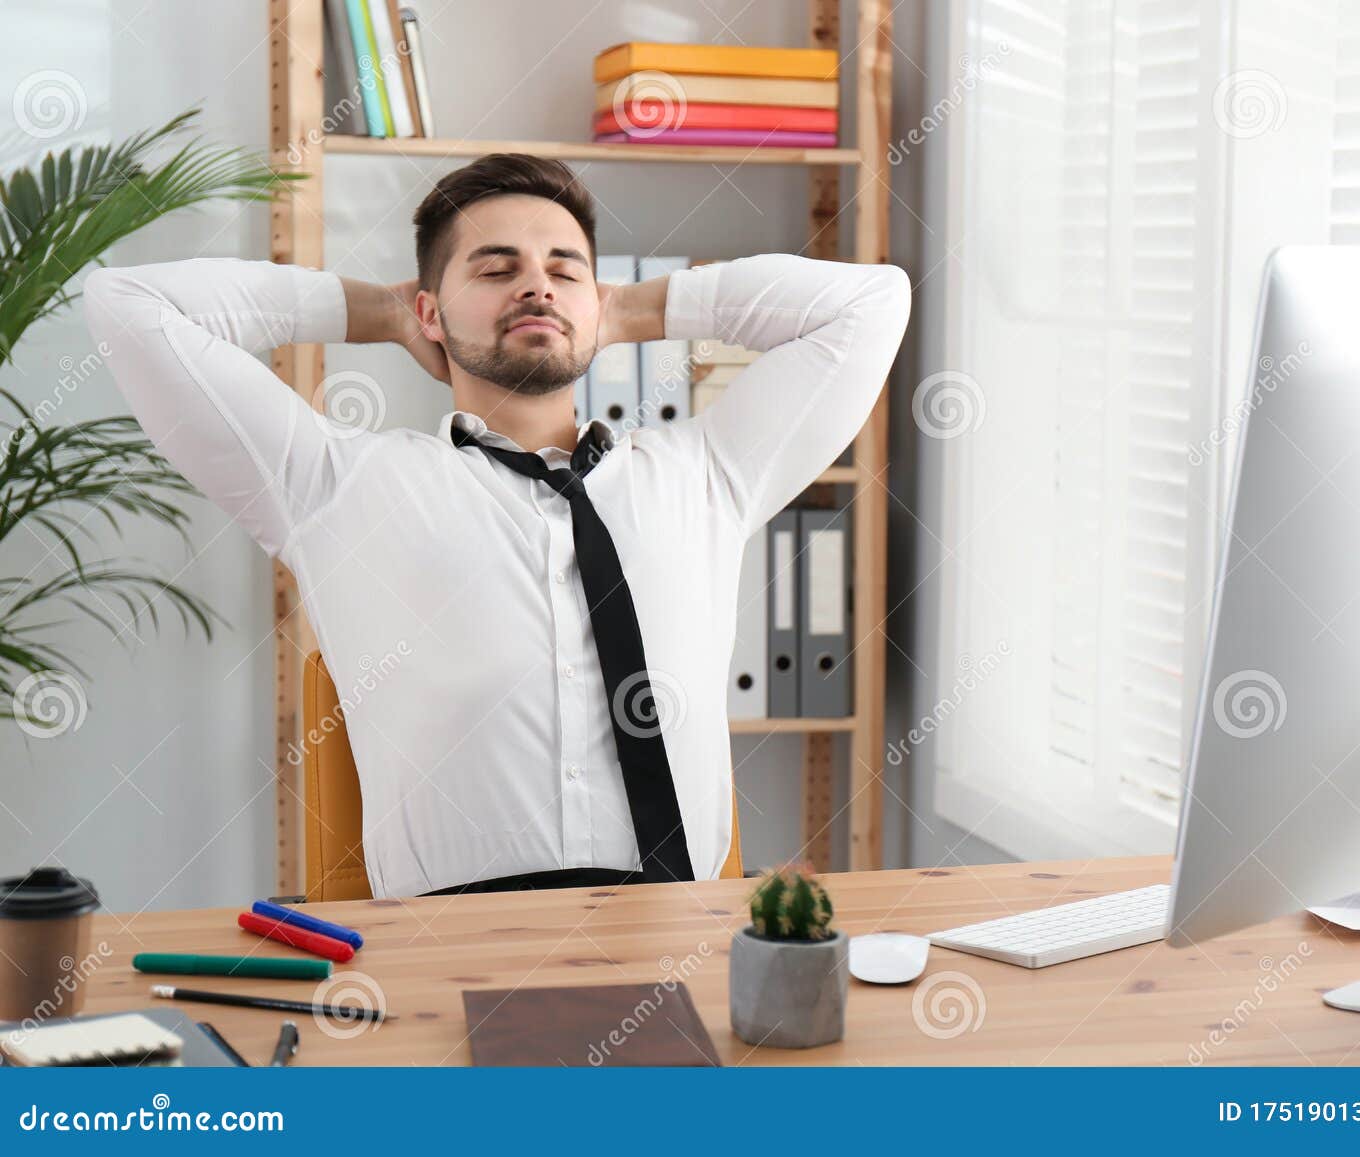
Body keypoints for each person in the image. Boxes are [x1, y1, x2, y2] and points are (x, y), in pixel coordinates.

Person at [83, 153, 912, 898]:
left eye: (564, 269)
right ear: (431, 311)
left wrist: (634, 309)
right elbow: (130, 305)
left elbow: (873, 301)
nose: (537, 286)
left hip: (678, 940)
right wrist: (377, 311)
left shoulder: (707, 474)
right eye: (495, 268)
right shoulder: (333, 484)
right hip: (448, 957)